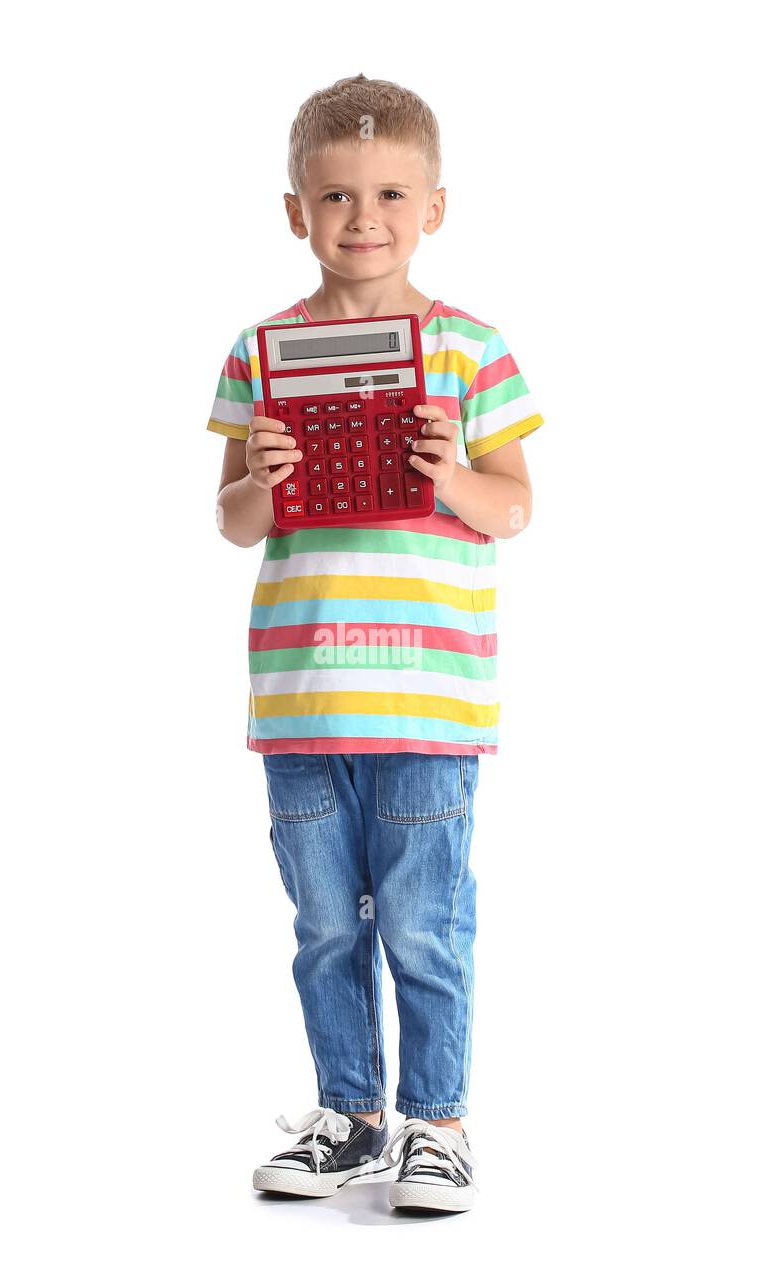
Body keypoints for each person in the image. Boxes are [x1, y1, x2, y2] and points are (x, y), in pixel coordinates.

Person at [206, 74, 544, 1213]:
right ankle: (350, 1117)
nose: (363, 217)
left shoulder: (470, 350)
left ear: (434, 206)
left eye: (391, 192)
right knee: (319, 925)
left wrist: (448, 473)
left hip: (427, 695)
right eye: (335, 195)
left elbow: (514, 507)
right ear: (293, 210)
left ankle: (434, 1125)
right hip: (302, 700)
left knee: (422, 920)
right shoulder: (260, 351)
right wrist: (261, 479)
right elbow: (231, 520)